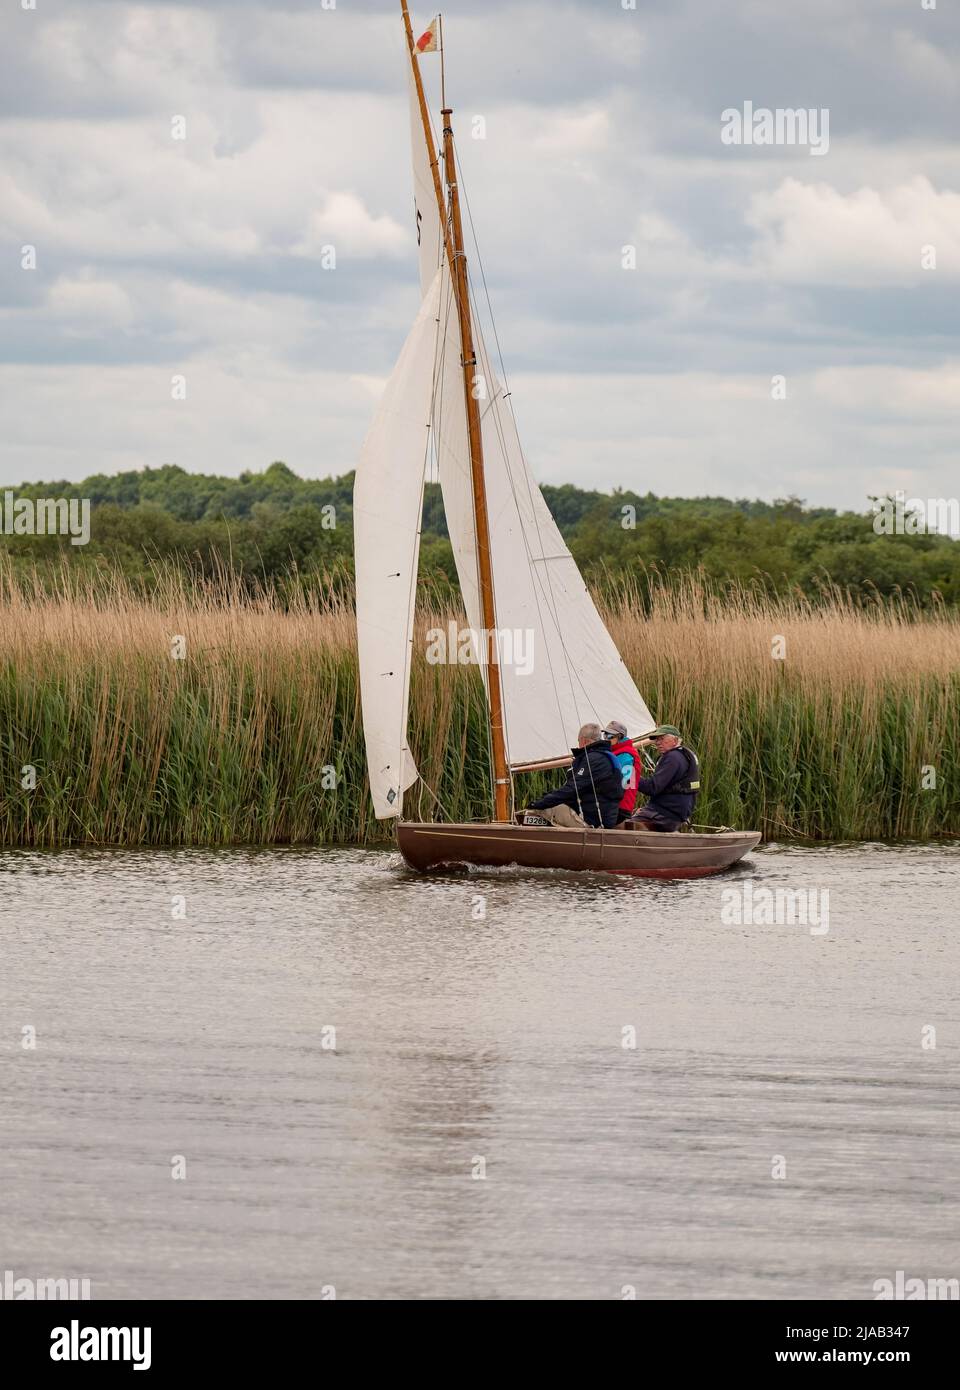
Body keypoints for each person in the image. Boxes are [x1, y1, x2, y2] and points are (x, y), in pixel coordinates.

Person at [527, 722, 623, 829]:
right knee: (550, 804)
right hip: (602, 818)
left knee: (535, 810)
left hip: (592, 821)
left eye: (578, 741)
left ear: (584, 740)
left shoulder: (593, 759)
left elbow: (572, 789)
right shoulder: (604, 757)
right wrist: (549, 796)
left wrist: (538, 803)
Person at [632, 724, 701, 832]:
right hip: (677, 814)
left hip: (664, 815)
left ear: (675, 740)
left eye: (662, 738)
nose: (657, 742)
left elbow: (652, 788)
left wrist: (631, 777)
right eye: (656, 739)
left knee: (624, 826)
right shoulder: (685, 755)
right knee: (638, 813)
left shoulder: (672, 758)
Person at [604, 719, 644, 824]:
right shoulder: (617, 752)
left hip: (620, 807)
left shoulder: (627, 755)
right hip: (615, 806)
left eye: (610, 736)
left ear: (620, 737)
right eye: (605, 735)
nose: (606, 739)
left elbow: (622, 782)